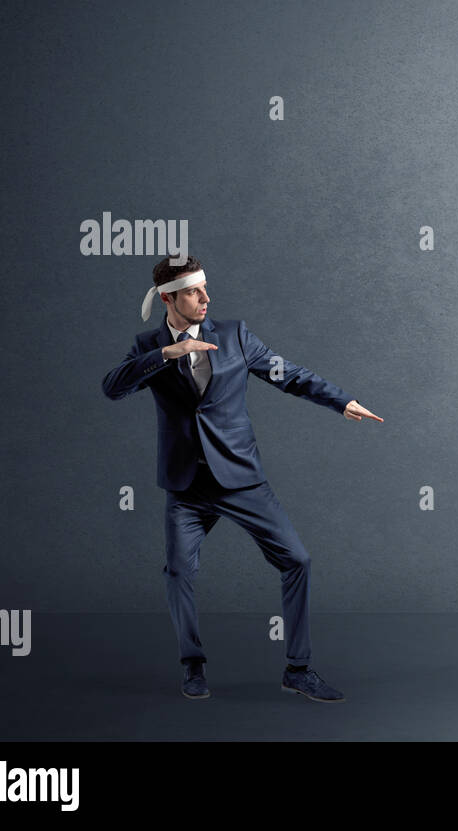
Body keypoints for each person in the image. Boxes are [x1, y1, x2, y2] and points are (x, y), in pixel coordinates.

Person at [102, 255, 382, 702]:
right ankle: (192, 665)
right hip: (186, 487)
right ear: (169, 300)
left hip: (242, 480)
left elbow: (288, 374)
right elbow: (112, 387)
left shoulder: (233, 336)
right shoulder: (146, 347)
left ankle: (298, 668)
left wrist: (341, 402)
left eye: (205, 289)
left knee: (297, 561)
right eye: (195, 292)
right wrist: (166, 354)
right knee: (177, 572)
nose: (206, 299)